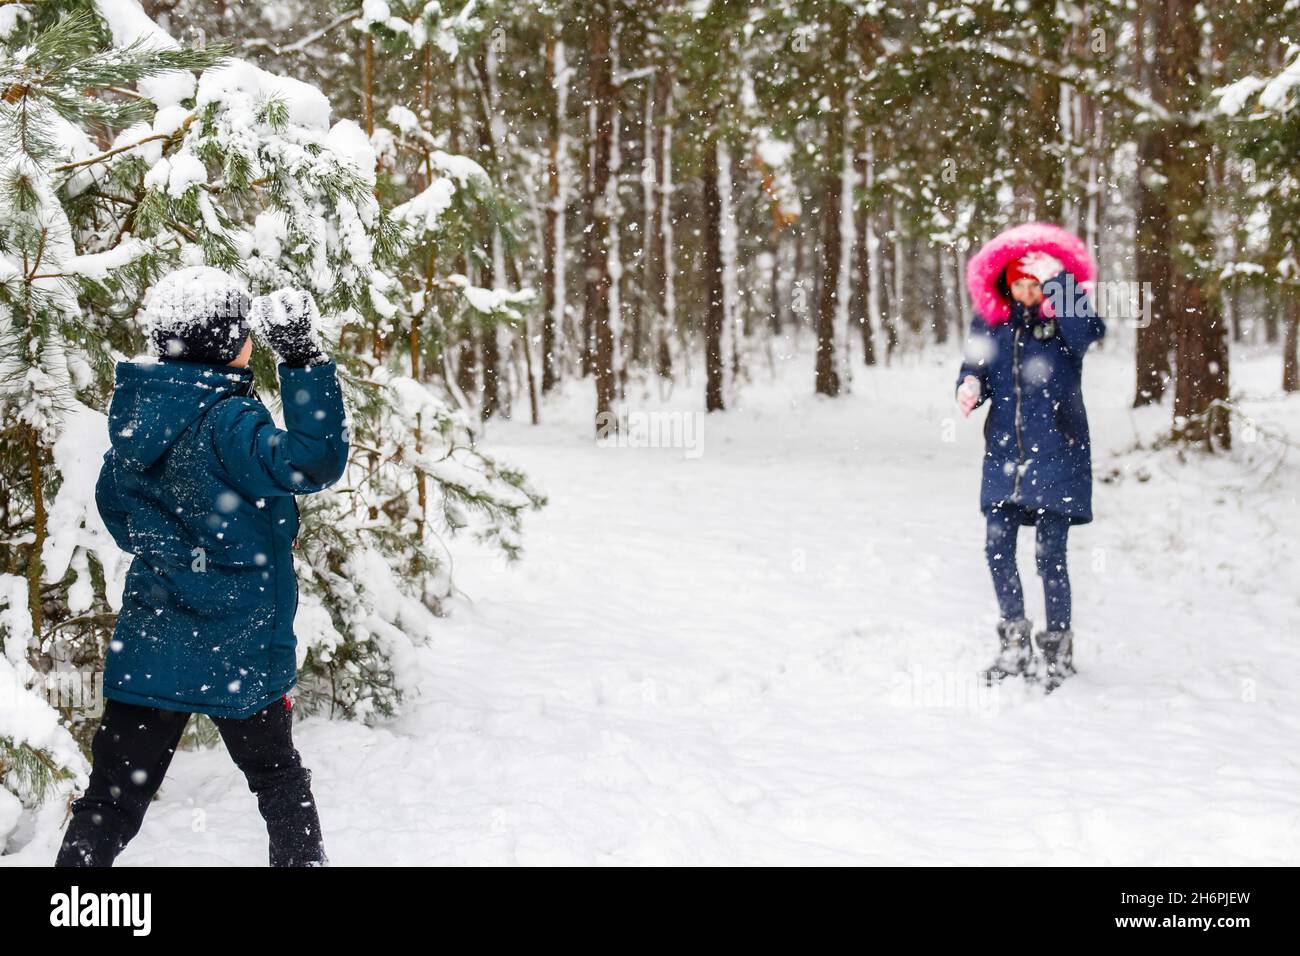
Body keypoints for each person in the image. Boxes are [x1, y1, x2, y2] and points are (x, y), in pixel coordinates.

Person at [56, 266, 348, 866]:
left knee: (109, 802)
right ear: (233, 346)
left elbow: (120, 517)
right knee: (279, 783)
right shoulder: (230, 422)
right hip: (238, 647)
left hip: (152, 641)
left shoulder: (136, 421)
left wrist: (178, 552)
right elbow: (314, 462)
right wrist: (300, 357)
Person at [956, 223, 1105, 692]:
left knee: (1050, 557)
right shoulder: (992, 325)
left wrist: (1061, 282)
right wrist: (969, 386)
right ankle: (1014, 640)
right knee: (997, 549)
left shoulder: (1064, 326)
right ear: (1005, 283)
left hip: (1057, 455)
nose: (1026, 290)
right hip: (1004, 455)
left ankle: (1057, 648)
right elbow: (973, 364)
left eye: (1034, 282)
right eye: (1018, 281)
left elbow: (1091, 331)